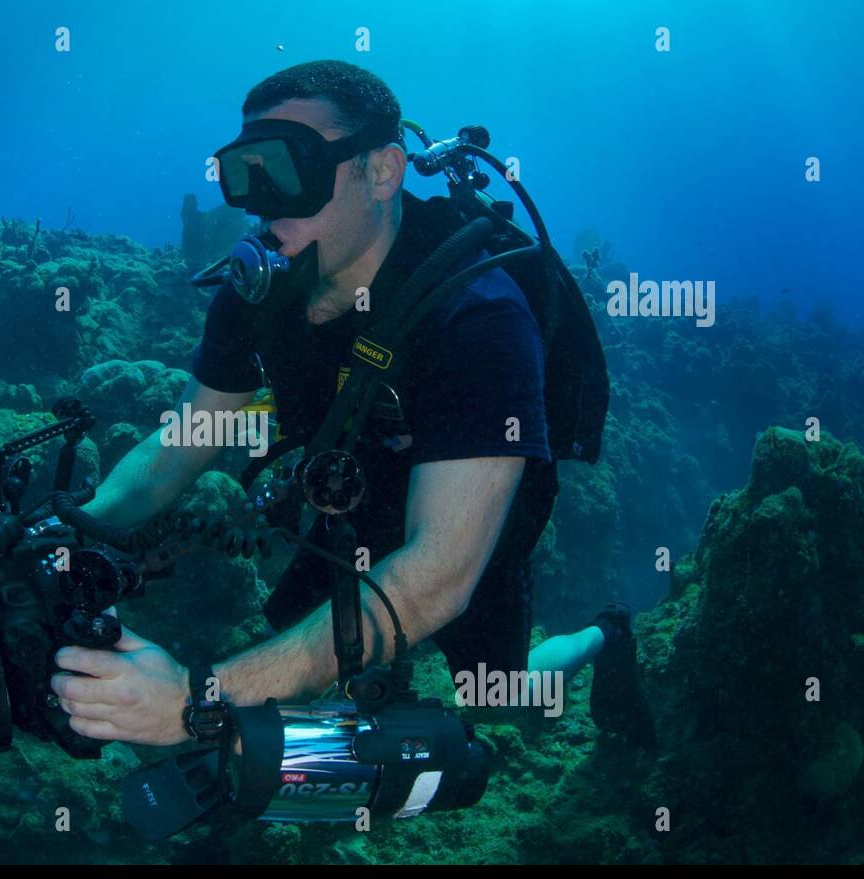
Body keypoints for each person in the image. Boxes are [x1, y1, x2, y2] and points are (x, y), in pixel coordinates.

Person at [51, 60, 655, 752]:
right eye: (245, 175)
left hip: (467, 511)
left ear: (383, 171)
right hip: (357, 492)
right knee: (309, 666)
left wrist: (198, 703)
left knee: (496, 698)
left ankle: (602, 636)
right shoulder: (260, 291)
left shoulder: (479, 316)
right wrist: (73, 528)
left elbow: (440, 575)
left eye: (290, 171)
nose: (263, 207)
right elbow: (184, 444)